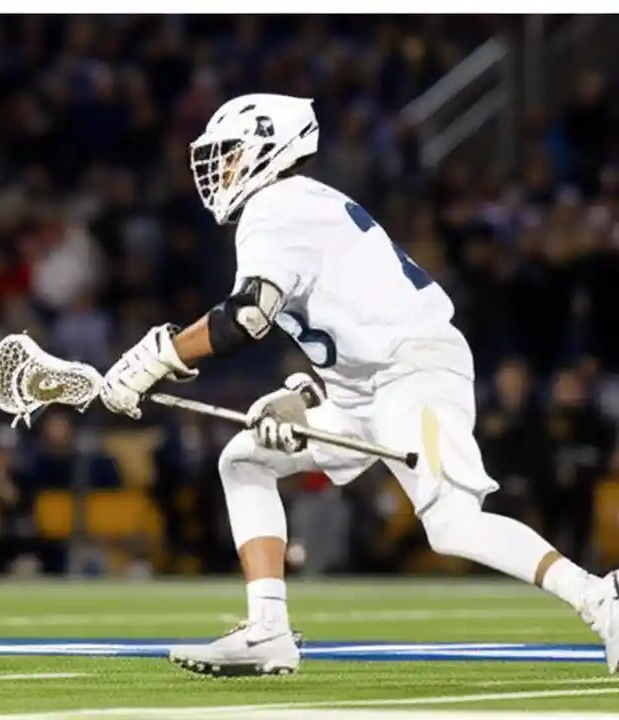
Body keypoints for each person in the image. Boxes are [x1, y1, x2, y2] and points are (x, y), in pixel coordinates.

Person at [97, 93, 619, 677]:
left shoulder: (277, 205)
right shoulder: (301, 205)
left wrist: (159, 355)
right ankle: (267, 629)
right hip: (364, 383)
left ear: (271, 149)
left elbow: (248, 315)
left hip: (410, 371)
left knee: (451, 525)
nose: (220, 172)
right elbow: (341, 328)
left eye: (231, 156)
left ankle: (601, 597)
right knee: (243, 460)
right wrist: (301, 396)